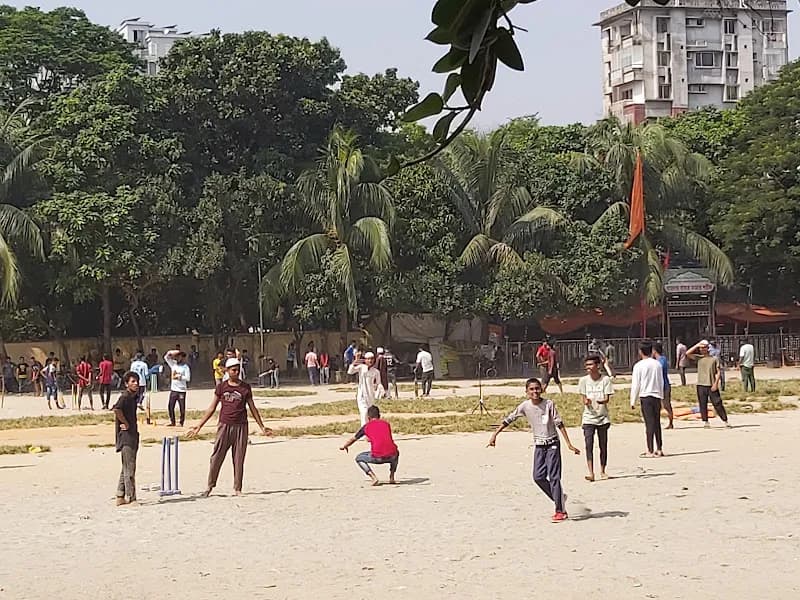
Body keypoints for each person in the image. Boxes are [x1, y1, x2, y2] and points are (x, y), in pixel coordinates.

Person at [487, 378, 580, 523]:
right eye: (531, 389)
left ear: (541, 389)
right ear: (526, 392)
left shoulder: (549, 404)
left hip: (552, 444)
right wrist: (495, 435)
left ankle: (560, 510)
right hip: (539, 445)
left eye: (537, 388)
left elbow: (559, 423)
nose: (535, 392)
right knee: (538, 477)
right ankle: (559, 497)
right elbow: (509, 419)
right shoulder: (525, 406)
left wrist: (569, 444)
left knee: (554, 477)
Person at [187, 358, 272, 497]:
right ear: (227, 371)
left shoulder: (245, 388)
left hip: (241, 426)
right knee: (216, 457)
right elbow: (212, 408)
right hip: (224, 425)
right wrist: (199, 426)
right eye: (233, 369)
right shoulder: (221, 387)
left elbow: (252, 408)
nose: (236, 372)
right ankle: (210, 486)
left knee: (238, 458)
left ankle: (237, 488)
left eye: (238, 369)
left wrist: (262, 426)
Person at [339, 405, 399, 486]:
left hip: (377, 456)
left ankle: (373, 477)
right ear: (379, 415)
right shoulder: (386, 424)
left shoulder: (366, 426)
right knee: (396, 451)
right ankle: (392, 477)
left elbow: (353, 439)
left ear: (368, 417)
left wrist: (345, 446)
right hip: (391, 455)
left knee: (359, 458)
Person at [578, 355, 613, 482]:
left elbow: (607, 398)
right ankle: (591, 472)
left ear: (598, 365)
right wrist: (586, 401)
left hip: (602, 417)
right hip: (588, 417)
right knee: (588, 444)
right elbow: (583, 398)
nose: (588, 367)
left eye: (590, 364)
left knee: (603, 444)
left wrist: (600, 401)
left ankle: (603, 470)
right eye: (586, 365)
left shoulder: (605, 380)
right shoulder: (583, 381)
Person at [630, 341, 665, 458]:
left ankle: (650, 450)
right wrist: (662, 397)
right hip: (656, 395)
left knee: (649, 424)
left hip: (645, 396)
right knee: (656, 423)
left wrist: (632, 400)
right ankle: (659, 448)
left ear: (640, 352)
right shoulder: (657, 364)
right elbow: (661, 382)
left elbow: (636, 384)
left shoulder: (638, 366)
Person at [686, 340, 731, 429]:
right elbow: (687, 353)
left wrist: (716, 383)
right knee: (702, 404)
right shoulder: (699, 358)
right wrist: (697, 344)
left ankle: (725, 420)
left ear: (708, 348)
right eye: (701, 348)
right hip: (701, 384)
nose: (702, 349)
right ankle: (705, 421)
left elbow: (718, 372)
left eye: (704, 348)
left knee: (717, 403)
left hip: (711, 384)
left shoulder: (714, 359)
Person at [113, 372, 140, 506]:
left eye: (137, 381)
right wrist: (125, 422)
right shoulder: (124, 397)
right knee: (130, 468)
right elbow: (117, 409)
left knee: (126, 467)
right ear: (126, 384)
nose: (136, 384)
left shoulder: (133, 397)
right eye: (133, 381)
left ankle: (120, 495)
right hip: (126, 437)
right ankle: (131, 497)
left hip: (133, 435)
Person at [348, 351, 383, 425]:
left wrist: (380, 392)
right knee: (364, 414)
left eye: (372, 359)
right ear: (365, 360)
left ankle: (370, 431)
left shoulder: (376, 372)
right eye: (368, 359)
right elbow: (350, 371)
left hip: (371, 396)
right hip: (361, 396)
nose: (370, 361)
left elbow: (379, 384)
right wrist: (356, 360)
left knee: (370, 415)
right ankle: (364, 432)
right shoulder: (361, 367)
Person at [164, 350, 191, 427]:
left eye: (179, 357)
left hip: (181, 390)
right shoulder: (173, 365)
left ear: (183, 358)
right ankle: (172, 421)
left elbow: (188, 378)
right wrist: (173, 352)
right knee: (170, 406)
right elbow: (166, 357)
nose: (177, 358)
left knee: (182, 407)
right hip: (174, 389)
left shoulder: (185, 367)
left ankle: (181, 422)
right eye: (177, 356)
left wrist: (180, 377)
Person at [653, 342, 674, 429]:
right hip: (658, 386)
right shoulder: (656, 361)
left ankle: (671, 422)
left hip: (664, 386)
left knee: (666, 405)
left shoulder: (662, 360)